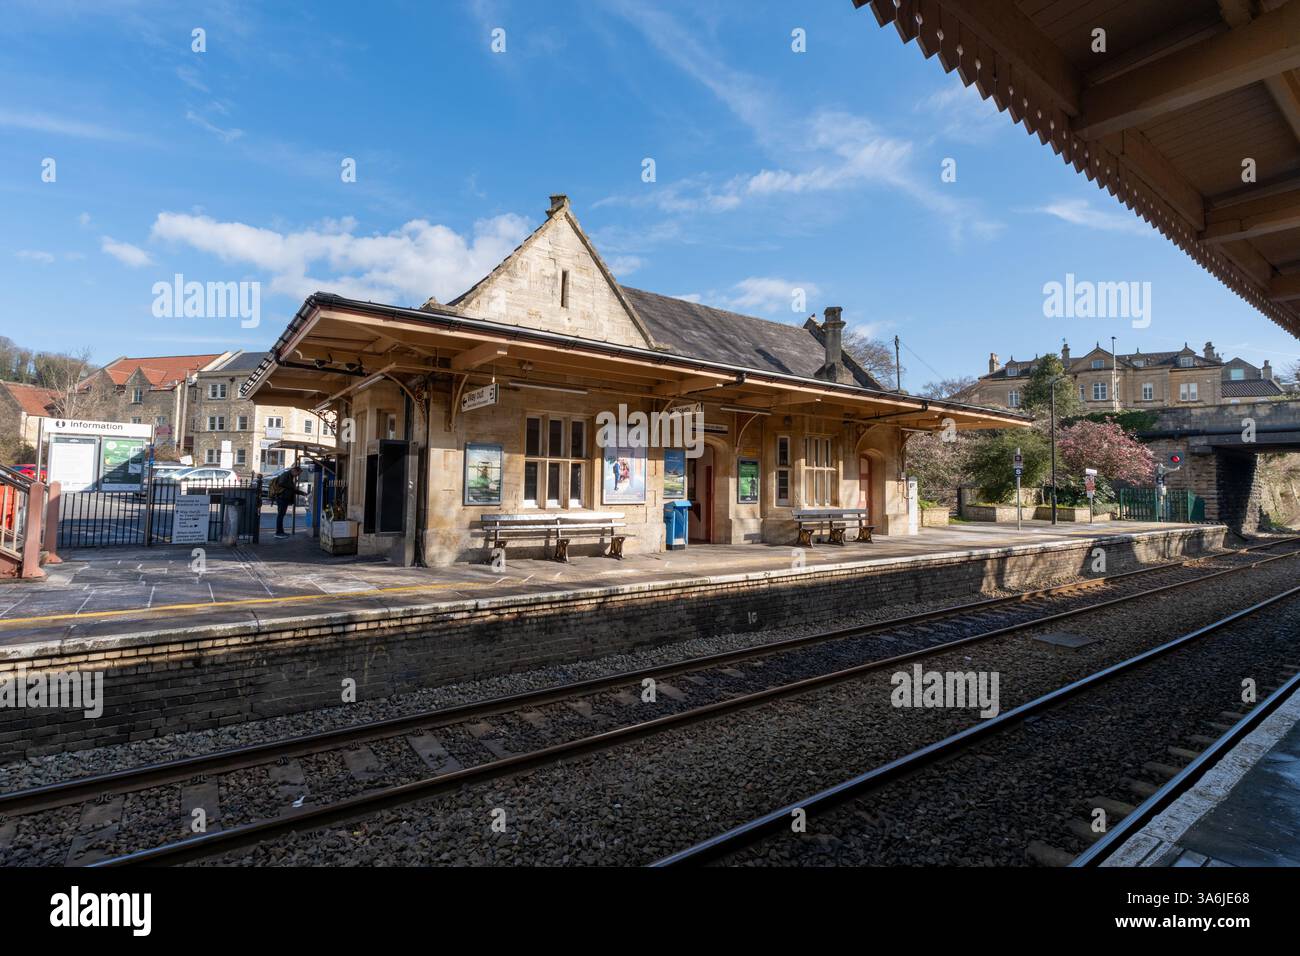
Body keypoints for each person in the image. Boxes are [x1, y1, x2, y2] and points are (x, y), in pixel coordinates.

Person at [267, 465, 302, 538]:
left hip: (284, 498)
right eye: (298, 474)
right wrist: (292, 486)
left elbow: (291, 489)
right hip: (281, 498)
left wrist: (301, 493)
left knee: (281, 515)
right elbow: (281, 483)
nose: (297, 476)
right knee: (280, 515)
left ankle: (281, 531)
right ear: (294, 471)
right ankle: (278, 533)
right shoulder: (286, 475)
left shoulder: (290, 476)